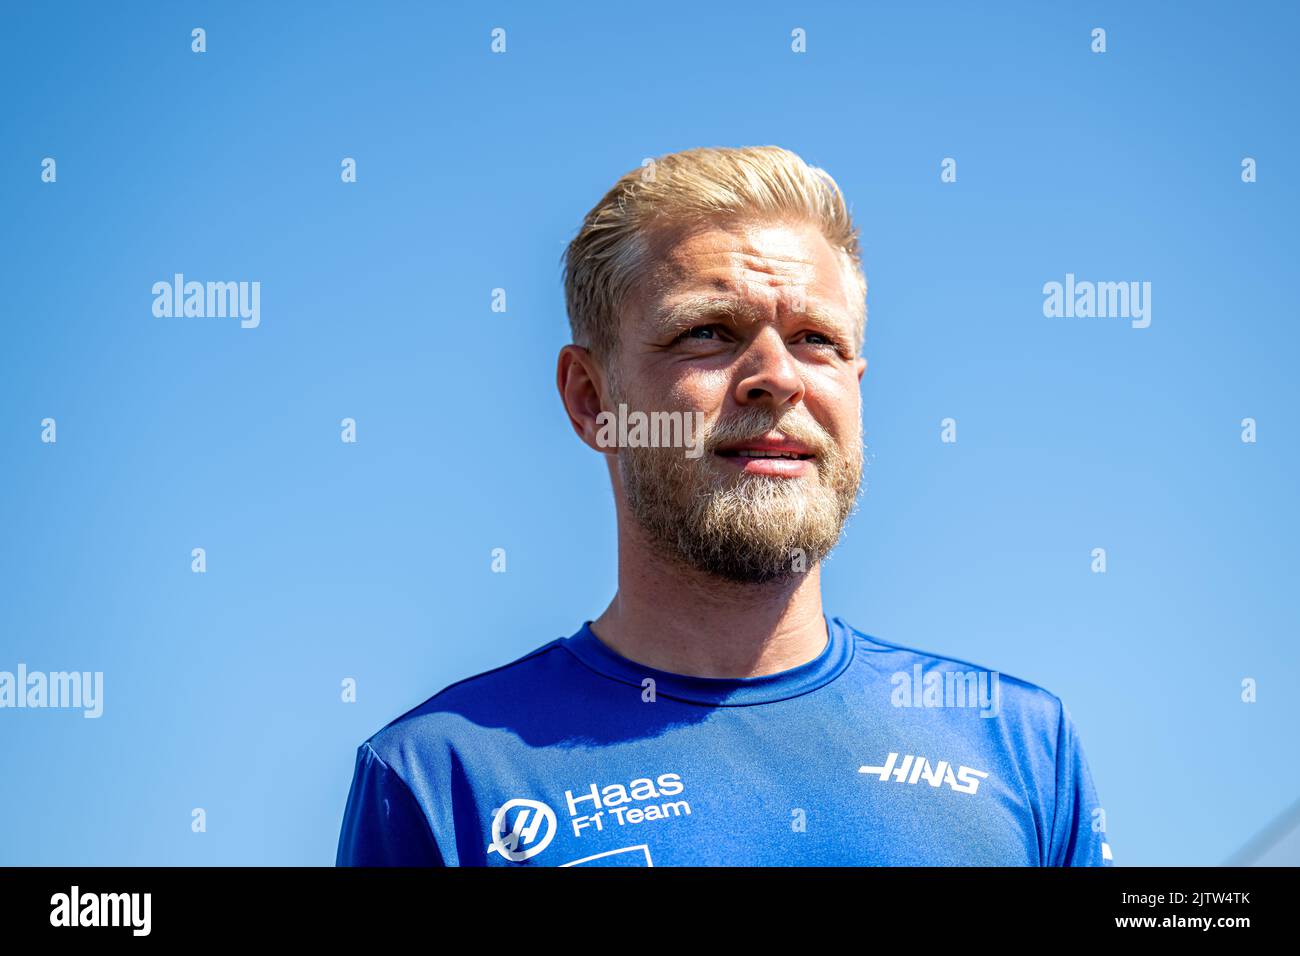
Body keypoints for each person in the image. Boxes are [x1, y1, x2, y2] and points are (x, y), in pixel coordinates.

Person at [335, 145, 1113, 866]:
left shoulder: (1020, 748)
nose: (778, 377)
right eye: (709, 332)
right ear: (591, 398)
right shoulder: (440, 778)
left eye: (817, 340)